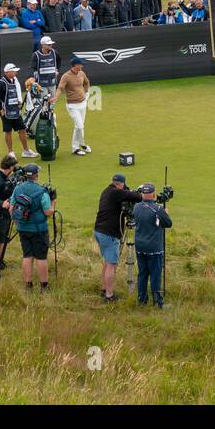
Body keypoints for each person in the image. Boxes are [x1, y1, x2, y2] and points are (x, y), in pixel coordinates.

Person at [94, 173, 143, 302]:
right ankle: (109, 295)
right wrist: (143, 194)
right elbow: (136, 196)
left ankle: (104, 289)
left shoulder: (107, 190)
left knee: (107, 262)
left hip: (100, 230)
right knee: (111, 264)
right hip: (109, 233)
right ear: (121, 184)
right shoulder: (116, 192)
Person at [5, 163, 53, 292]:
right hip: (39, 230)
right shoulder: (42, 191)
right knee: (41, 257)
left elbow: (11, 208)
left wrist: (17, 222)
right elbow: (48, 212)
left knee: (27, 255)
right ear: (36, 175)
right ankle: (44, 286)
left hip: (23, 228)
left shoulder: (18, 188)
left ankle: (28, 285)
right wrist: (53, 202)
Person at [132, 182, 173, 308]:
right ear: (154, 194)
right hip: (154, 247)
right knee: (155, 274)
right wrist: (165, 213)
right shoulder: (158, 208)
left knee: (142, 273)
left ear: (143, 194)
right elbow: (168, 223)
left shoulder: (136, 207)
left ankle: (142, 299)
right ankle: (158, 302)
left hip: (140, 246)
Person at [0, 62, 38, 158]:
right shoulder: (1, 83)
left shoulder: (14, 81)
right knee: (8, 131)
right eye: (13, 71)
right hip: (6, 111)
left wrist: (19, 102)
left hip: (15, 110)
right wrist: (0, 109)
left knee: (22, 129)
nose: (15, 73)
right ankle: (10, 152)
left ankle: (26, 151)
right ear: (7, 72)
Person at [57, 56, 91, 156]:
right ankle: (81, 144)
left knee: (78, 127)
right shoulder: (66, 76)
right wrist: (55, 98)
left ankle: (76, 147)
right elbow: (60, 88)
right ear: (75, 65)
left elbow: (87, 82)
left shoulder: (81, 73)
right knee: (80, 126)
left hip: (83, 104)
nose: (82, 66)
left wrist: (86, 93)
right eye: (81, 64)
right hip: (72, 106)